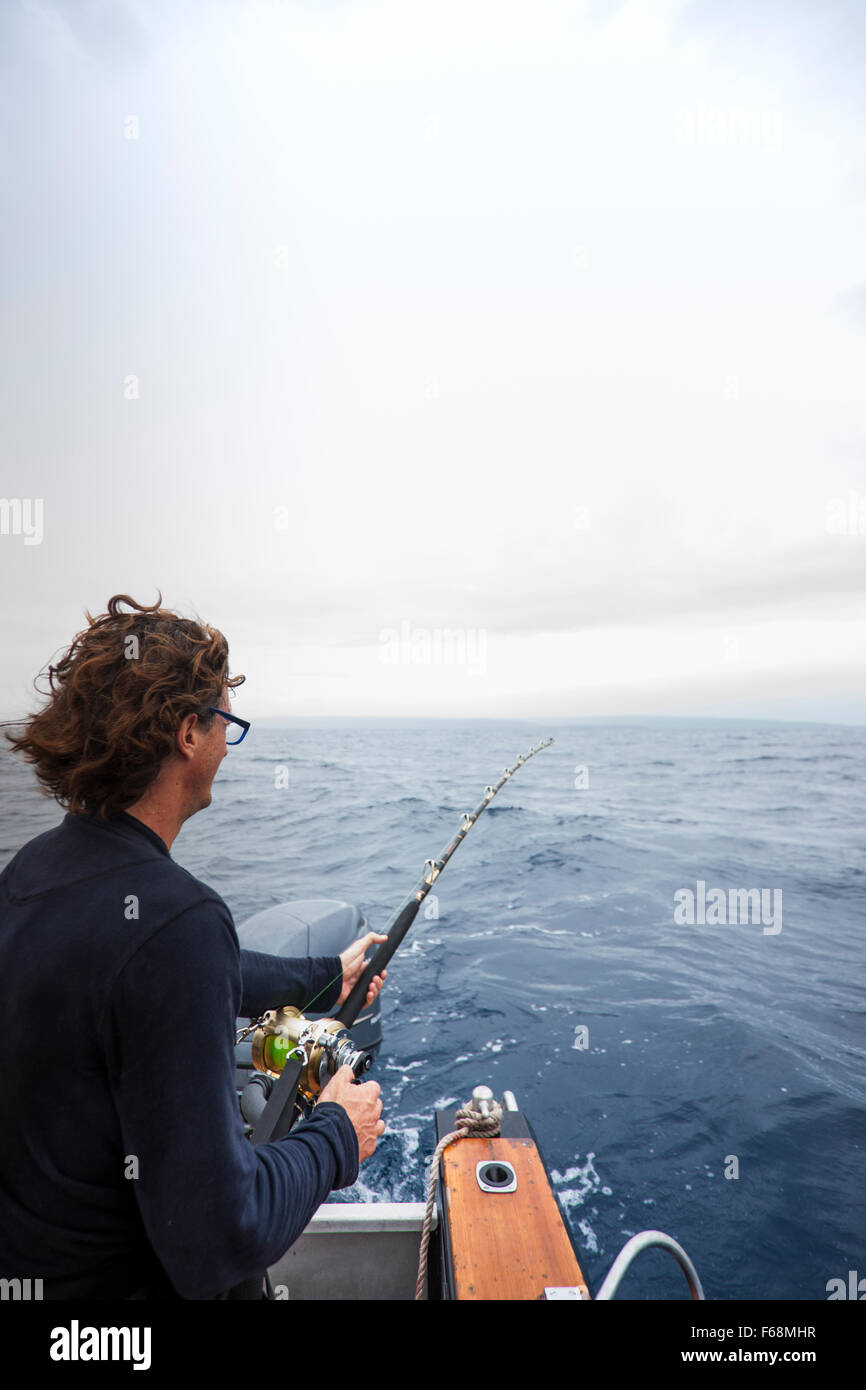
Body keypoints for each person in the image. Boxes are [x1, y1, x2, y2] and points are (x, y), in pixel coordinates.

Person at [0, 593, 386, 1299]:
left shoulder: (29, 876)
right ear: (187, 734)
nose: (224, 748)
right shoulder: (179, 920)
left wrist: (327, 974)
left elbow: (168, 966)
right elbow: (221, 1235)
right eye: (223, 725)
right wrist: (338, 1132)